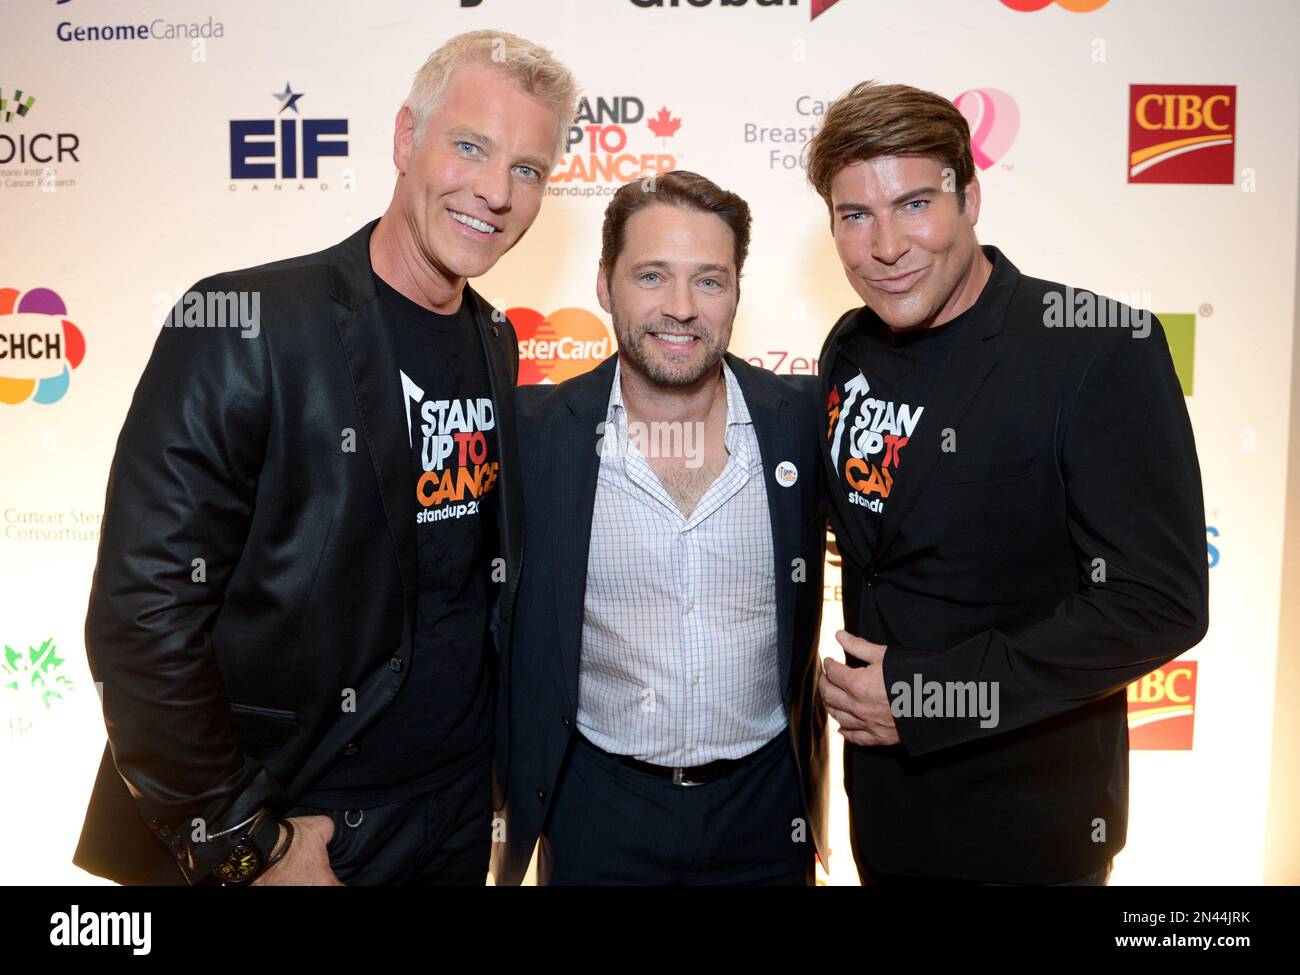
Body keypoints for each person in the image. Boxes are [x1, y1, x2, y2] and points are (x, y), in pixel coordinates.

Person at [73, 30, 579, 886]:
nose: (495, 190)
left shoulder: (494, 338)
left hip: (452, 815)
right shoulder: (247, 320)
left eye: (528, 169)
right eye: (469, 146)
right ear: (402, 139)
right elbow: (142, 617)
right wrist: (245, 841)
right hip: (300, 820)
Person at [804, 81, 1209, 885]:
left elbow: (1158, 603)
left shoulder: (1097, 349)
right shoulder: (848, 346)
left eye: (914, 203)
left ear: (971, 196)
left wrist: (926, 697)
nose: (885, 246)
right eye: (855, 216)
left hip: (1029, 834)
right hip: (884, 820)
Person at [495, 171, 829, 886]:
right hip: (595, 808)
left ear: (737, 291)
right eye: (653, 275)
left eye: (709, 281)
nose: (681, 308)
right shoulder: (532, 434)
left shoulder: (803, 422)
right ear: (605, 285)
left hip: (768, 807)